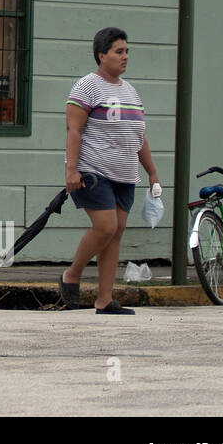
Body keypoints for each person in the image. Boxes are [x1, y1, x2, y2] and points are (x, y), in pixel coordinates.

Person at [60, 27, 162, 315]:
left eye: (127, 51)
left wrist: (152, 172)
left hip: (125, 174)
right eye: (119, 51)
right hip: (94, 171)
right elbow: (74, 130)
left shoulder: (130, 91)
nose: (125, 56)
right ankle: (72, 274)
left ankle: (105, 300)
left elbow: (138, 135)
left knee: (115, 234)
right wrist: (72, 170)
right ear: (102, 55)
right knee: (105, 227)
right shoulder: (86, 87)